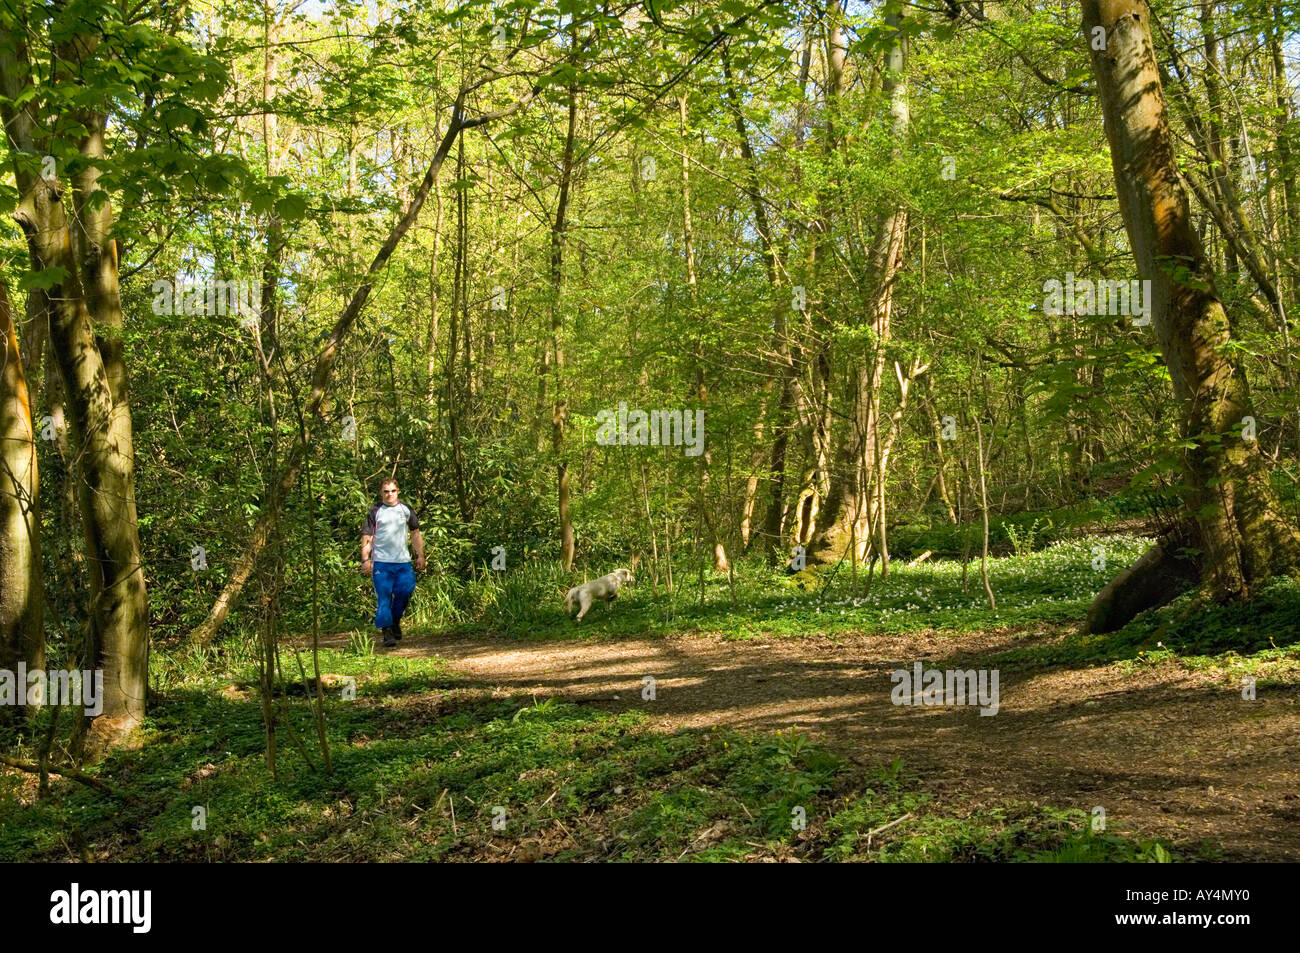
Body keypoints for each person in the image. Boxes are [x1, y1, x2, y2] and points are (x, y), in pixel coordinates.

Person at [361, 477, 426, 647]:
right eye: (386, 491)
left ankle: (395, 619)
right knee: (383, 598)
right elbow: (367, 537)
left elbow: (415, 533)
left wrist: (420, 555)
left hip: (403, 562)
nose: (390, 494)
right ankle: (387, 632)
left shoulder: (405, 509)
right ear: (381, 493)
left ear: (398, 491)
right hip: (381, 562)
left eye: (393, 491)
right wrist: (365, 560)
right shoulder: (375, 511)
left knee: (406, 591)